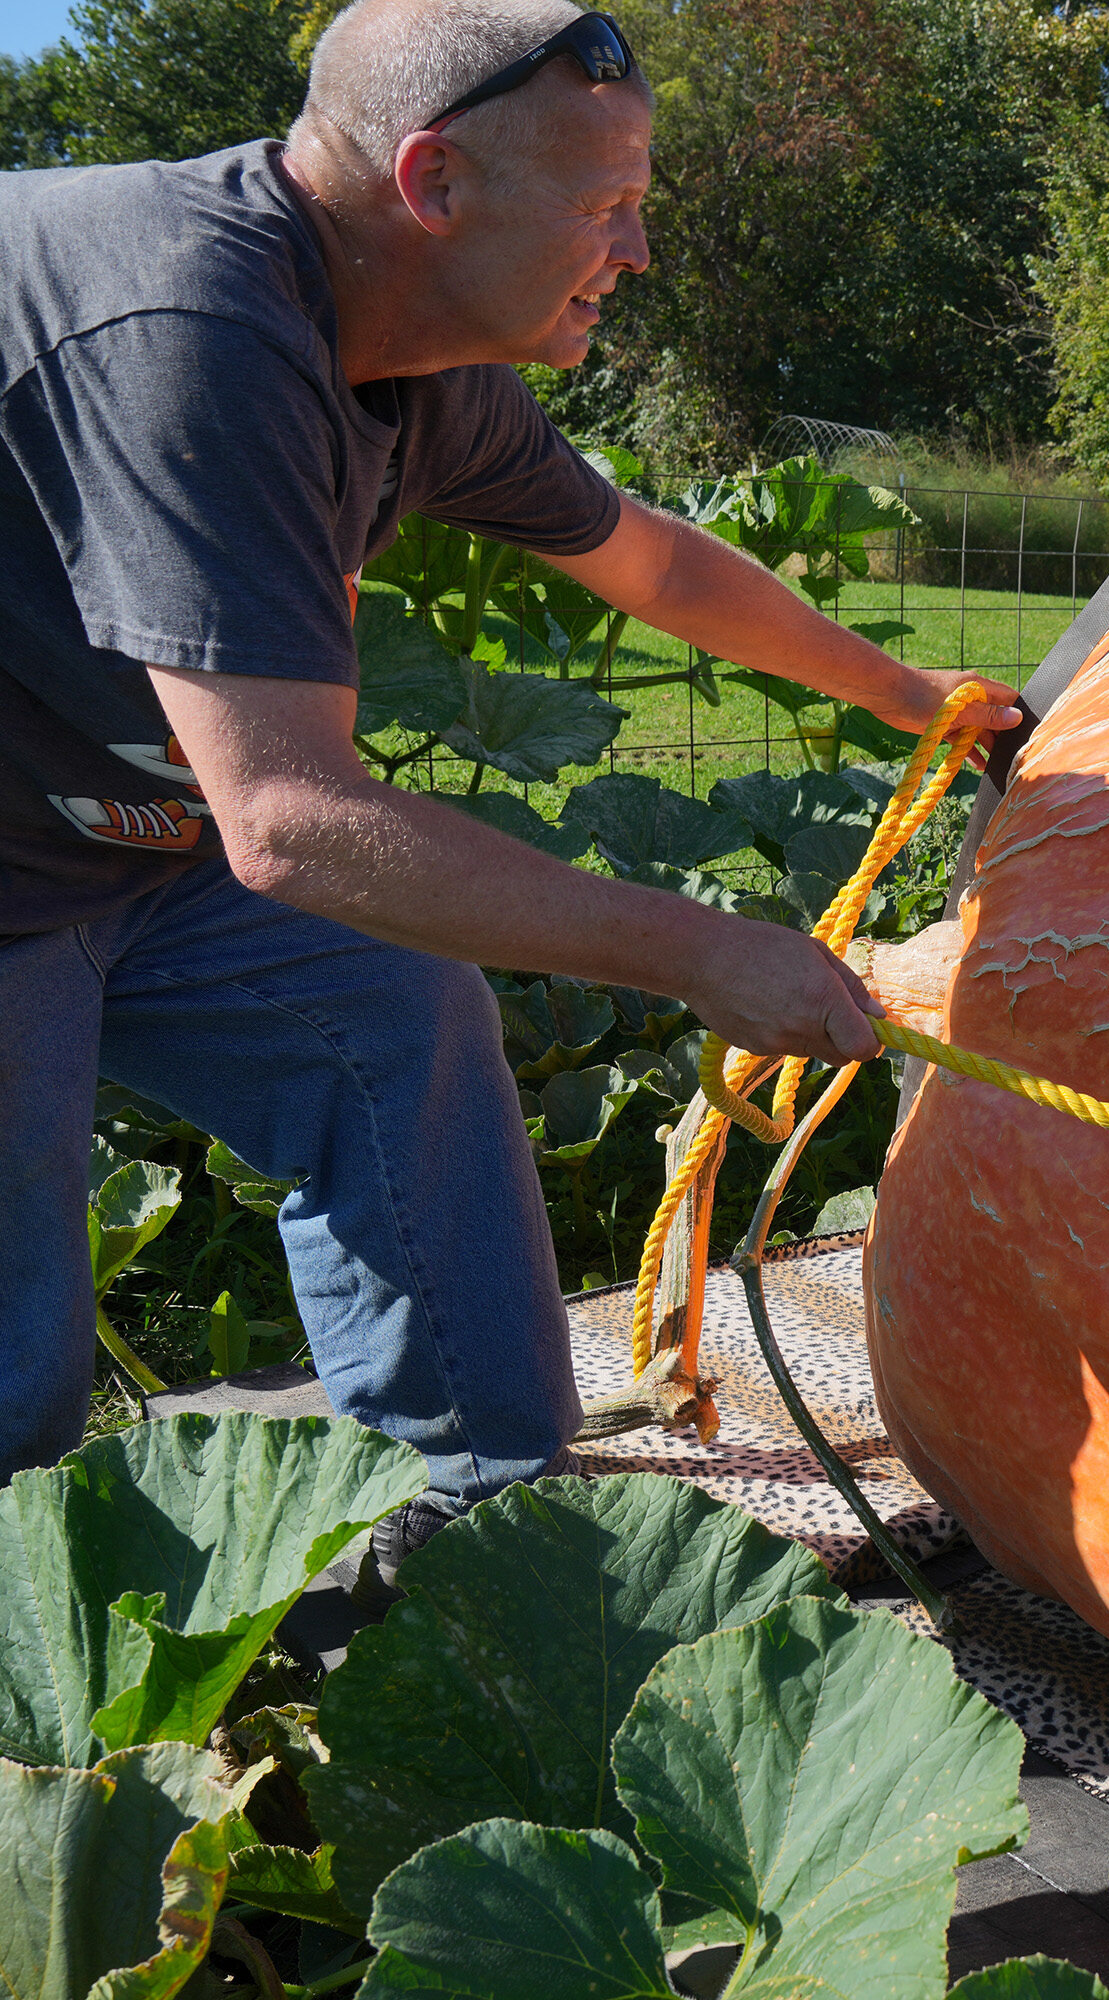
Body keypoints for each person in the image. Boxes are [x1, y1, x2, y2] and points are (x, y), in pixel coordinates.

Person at [0, 0, 1016, 1569]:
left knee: (393, 1017)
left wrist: (912, 697)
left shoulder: (413, 359)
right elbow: (288, 823)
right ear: (434, 183)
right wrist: (703, 948)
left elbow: (649, 559)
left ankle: (478, 1540)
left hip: (127, 830)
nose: (641, 251)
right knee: (16, 1387)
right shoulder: (189, 338)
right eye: (608, 209)